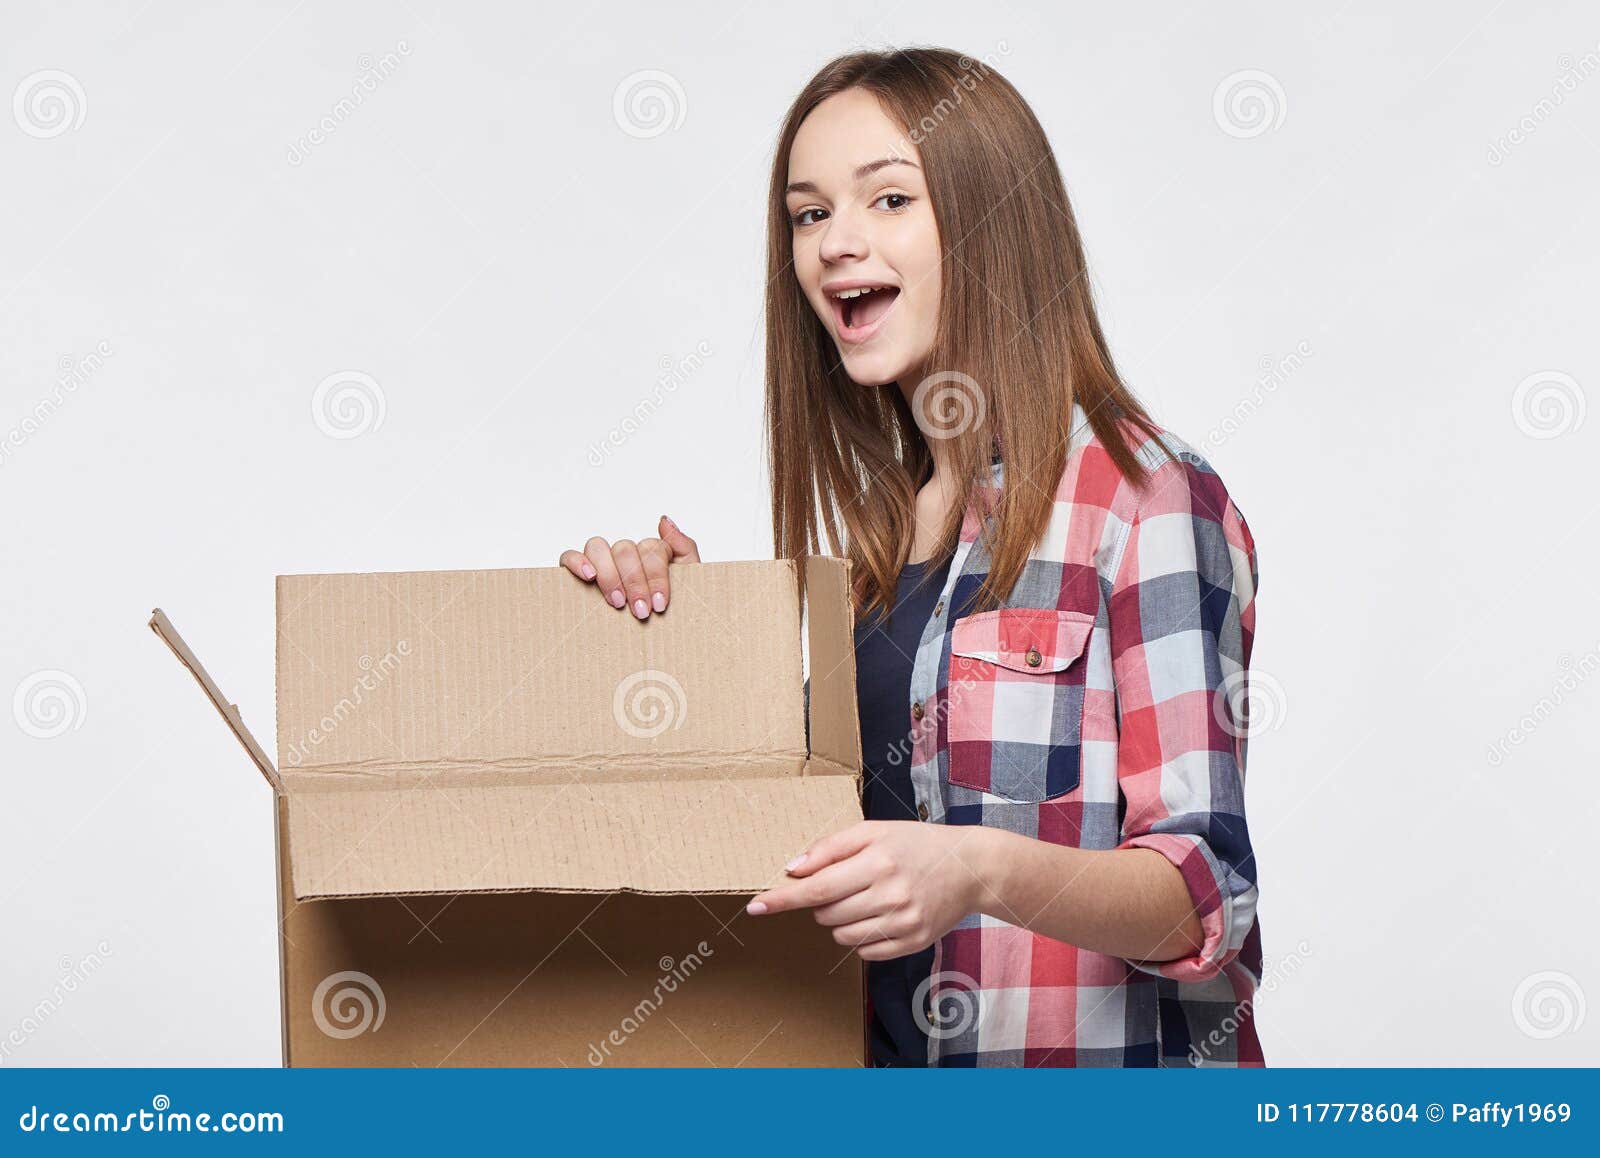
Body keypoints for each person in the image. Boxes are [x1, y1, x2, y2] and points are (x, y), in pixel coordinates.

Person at [559, 47, 1264, 1067]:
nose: (835, 244)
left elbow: (1204, 896)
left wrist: (978, 871)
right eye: (808, 215)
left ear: (992, 224)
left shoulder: (1142, 498)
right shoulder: (881, 547)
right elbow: (801, 861)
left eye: (888, 200)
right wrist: (682, 640)